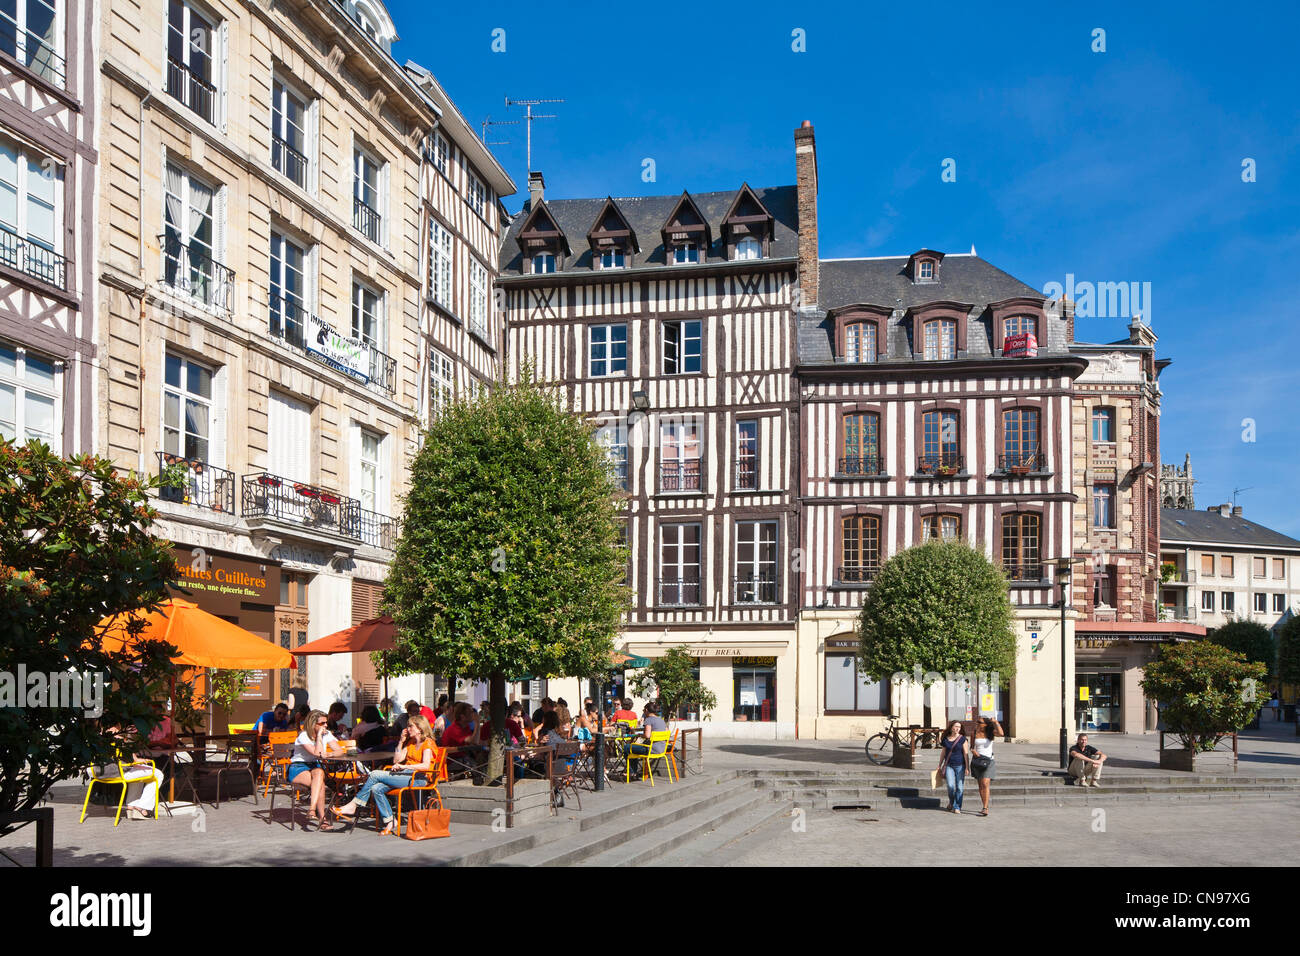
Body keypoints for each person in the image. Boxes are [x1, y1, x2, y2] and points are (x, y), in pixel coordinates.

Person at [334, 715, 437, 835]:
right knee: (376, 788)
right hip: (407, 776)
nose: (407, 729)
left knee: (375, 774)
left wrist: (404, 766)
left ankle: (354, 804)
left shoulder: (428, 743)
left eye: (410, 726)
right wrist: (401, 742)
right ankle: (390, 820)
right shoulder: (411, 743)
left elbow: (426, 766)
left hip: (419, 778)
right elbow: (396, 760)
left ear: (420, 728)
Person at [288, 709, 340, 830]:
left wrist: (330, 755)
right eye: (322, 723)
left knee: (319, 773)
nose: (326, 725)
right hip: (298, 767)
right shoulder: (303, 736)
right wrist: (319, 739)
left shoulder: (326, 733)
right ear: (313, 724)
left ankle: (312, 810)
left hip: (314, 766)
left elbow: (339, 750)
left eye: (326, 723)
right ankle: (322, 819)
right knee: (320, 784)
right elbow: (317, 753)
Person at [970, 717, 1002, 816]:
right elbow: (971, 746)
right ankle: (984, 805)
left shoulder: (991, 732)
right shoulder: (974, 733)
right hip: (977, 760)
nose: (977, 723)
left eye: (980, 722)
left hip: (989, 761)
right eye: (977, 721)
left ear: (986, 724)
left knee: (985, 783)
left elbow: (1001, 734)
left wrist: (996, 722)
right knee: (980, 785)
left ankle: (985, 808)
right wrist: (973, 751)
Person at [937, 719, 969, 814]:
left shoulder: (963, 739)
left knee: (959, 787)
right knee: (950, 786)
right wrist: (939, 765)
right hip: (949, 766)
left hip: (960, 766)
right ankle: (951, 802)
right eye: (955, 726)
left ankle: (957, 806)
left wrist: (967, 767)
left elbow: (966, 754)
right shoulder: (946, 739)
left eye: (959, 727)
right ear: (951, 727)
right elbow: (943, 752)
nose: (957, 728)